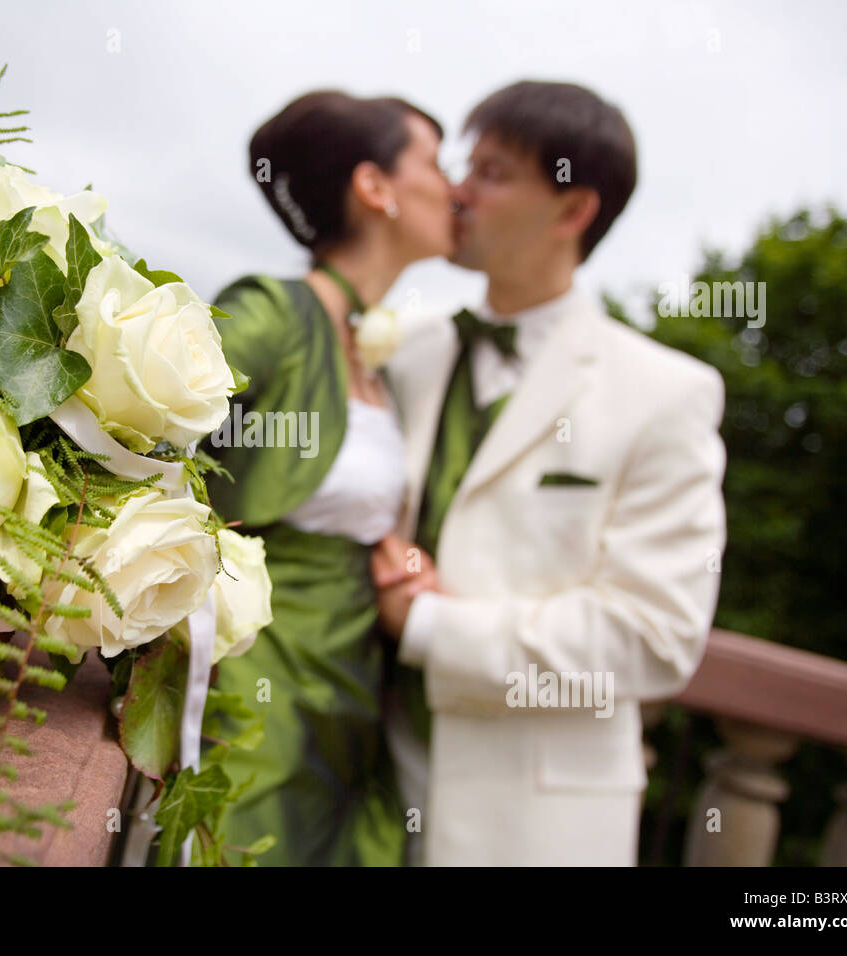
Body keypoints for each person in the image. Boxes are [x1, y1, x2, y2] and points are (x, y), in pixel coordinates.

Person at [374, 81, 727, 866]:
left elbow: (655, 637)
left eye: (493, 173)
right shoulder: (405, 350)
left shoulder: (666, 393)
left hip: (535, 831)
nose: (459, 191)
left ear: (573, 210)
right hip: (362, 797)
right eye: (465, 167)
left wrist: (430, 624)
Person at [203, 89, 455, 865]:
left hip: (355, 697)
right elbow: (135, 410)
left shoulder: (389, 353)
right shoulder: (275, 313)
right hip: (257, 680)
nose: (454, 188)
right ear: (375, 187)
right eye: (434, 164)